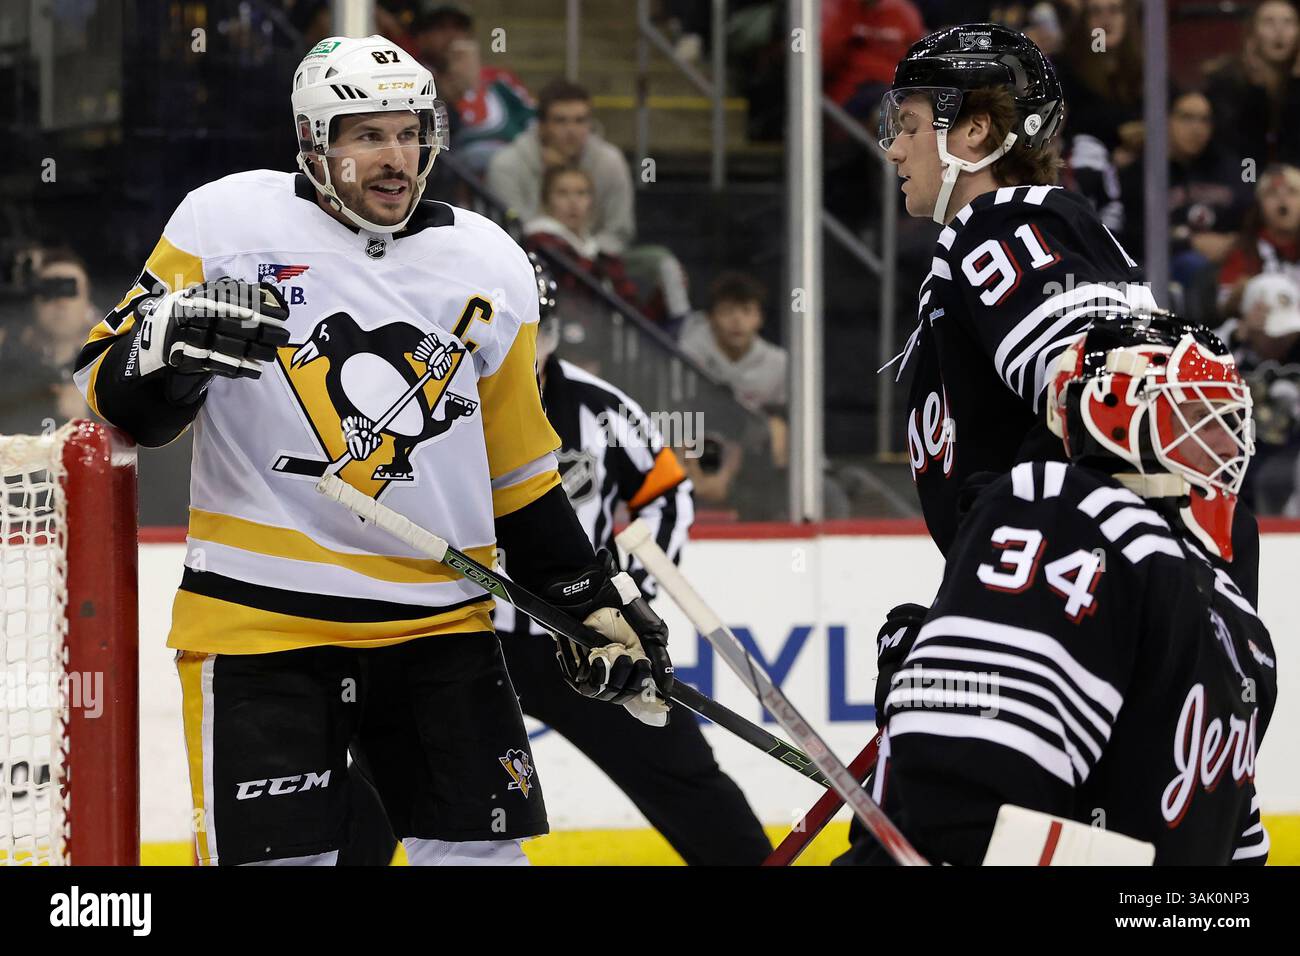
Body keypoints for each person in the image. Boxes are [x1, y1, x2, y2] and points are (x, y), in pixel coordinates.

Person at [73, 35, 675, 867]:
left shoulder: (487, 262)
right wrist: (161, 353)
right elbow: (113, 403)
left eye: (410, 132)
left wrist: (584, 596)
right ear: (313, 146)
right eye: (366, 136)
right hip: (263, 628)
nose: (396, 158)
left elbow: (519, 469)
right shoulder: (224, 223)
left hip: (441, 628)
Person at [840, 314, 1275, 865]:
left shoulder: (1063, 504)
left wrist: (924, 695)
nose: (1222, 437)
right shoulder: (1244, 628)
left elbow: (956, 801)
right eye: (1194, 413)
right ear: (1113, 414)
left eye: (1222, 417)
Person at [493, 259, 772, 865]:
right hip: (466, 637)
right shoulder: (439, 408)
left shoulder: (598, 409)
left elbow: (668, 493)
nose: (521, 346)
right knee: (390, 777)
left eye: (532, 328)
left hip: (587, 637)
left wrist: (618, 593)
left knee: (683, 777)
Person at [486, 79, 635, 256]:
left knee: (659, 261)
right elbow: (515, 232)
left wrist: (585, 257)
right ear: (541, 126)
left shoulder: (610, 162)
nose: (571, 130)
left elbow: (619, 230)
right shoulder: (507, 165)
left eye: (580, 120)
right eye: (560, 121)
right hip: (531, 262)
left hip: (599, 261)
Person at [1204, 0, 1300, 169]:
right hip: (1244, 177)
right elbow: (1240, 148)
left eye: (1288, 22)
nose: (1279, 31)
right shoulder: (1225, 81)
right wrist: (1256, 89)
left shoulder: (1296, 86)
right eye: (1269, 22)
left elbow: (1293, 147)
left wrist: (1296, 85)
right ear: (1252, 32)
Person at [1218, 164, 1300, 317]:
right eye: (1272, 193)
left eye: (1292, 192)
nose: (1283, 201)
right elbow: (1223, 306)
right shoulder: (1245, 249)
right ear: (1259, 205)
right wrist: (1241, 292)